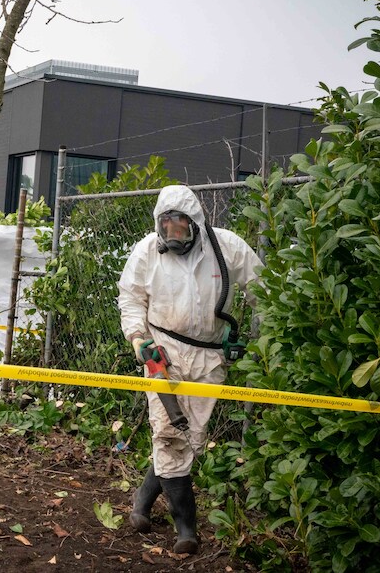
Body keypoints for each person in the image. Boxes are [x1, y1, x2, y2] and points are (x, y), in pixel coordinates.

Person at [116, 184, 261, 554]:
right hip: (162, 352)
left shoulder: (226, 247)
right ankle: (187, 529)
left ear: (194, 222)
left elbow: (264, 288)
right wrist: (137, 339)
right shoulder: (147, 252)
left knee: (191, 439)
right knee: (168, 435)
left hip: (210, 356)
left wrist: (257, 337)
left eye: (178, 226)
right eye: (165, 227)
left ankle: (142, 502)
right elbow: (131, 298)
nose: (171, 234)